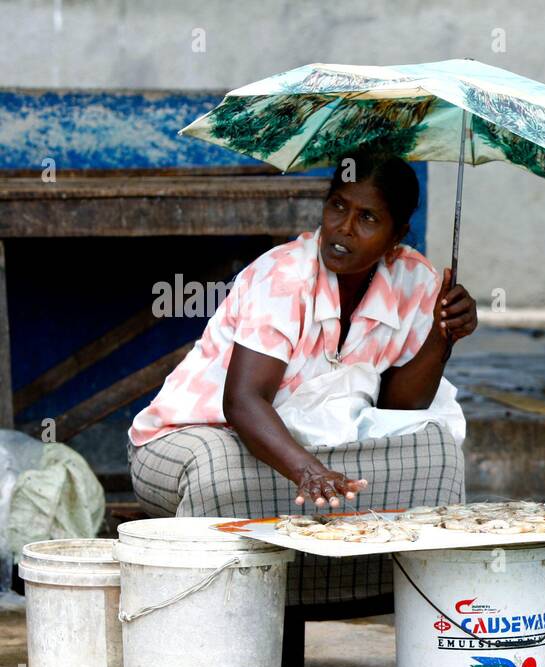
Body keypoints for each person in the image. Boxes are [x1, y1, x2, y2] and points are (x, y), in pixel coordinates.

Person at [127, 151, 477, 608]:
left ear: (396, 238)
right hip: (187, 439)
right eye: (337, 206)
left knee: (439, 454)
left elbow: (399, 408)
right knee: (220, 470)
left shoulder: (416, 279)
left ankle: (372, 599)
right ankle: (225, 616)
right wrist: (308, 472)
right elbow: (244, 403)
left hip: (305, 442)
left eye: (367, 217)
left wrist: (442, 337)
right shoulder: (285, 275)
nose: (343, 228)